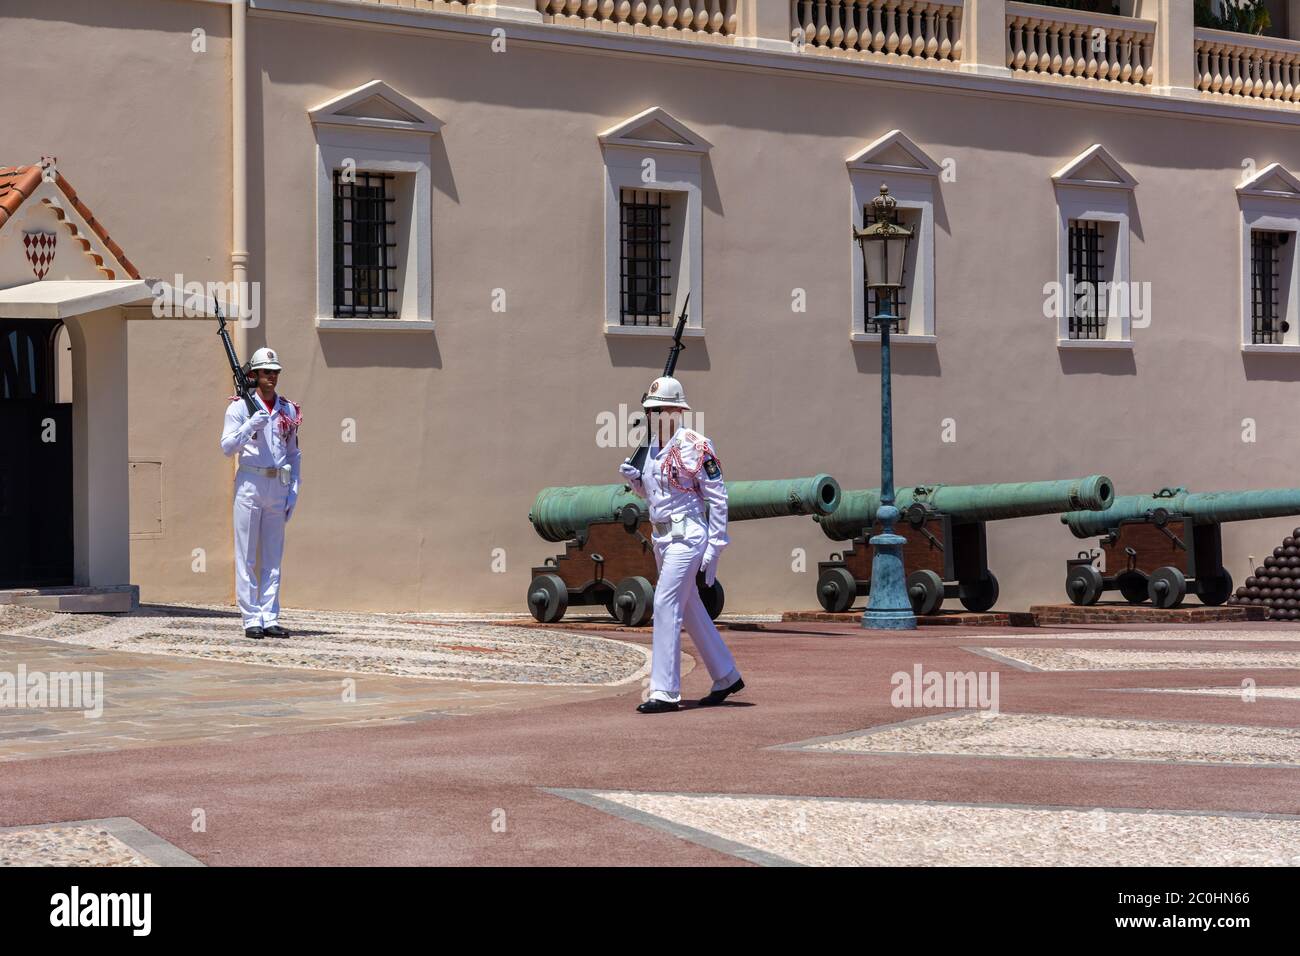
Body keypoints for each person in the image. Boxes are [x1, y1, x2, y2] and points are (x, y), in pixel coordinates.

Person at [619, 376, 744, 714]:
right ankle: (726, 675)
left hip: (688, 536)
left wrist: (715, 545)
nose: (656, 415)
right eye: (651, 410)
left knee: (664, 602)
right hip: (661, 537)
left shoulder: (696, 444)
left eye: (662, 409)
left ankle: (664, 691)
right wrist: (636, 483)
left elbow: (717, 498)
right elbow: (658, 498)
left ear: (678, 411)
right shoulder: (653, 449)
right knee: (689, 608)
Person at [219, 347, 302, 640]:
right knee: (246, 555)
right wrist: (249, 426)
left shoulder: (287, 408)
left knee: (272, 555)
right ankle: (251, 617)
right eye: (267, 372)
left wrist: (294, 489)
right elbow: (227, 447)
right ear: (253, 375)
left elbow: (293, 453)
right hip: (250, 483)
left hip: (277, 485)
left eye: (275, 372)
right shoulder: (239, 408)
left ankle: (270, 616)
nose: (272, 378)